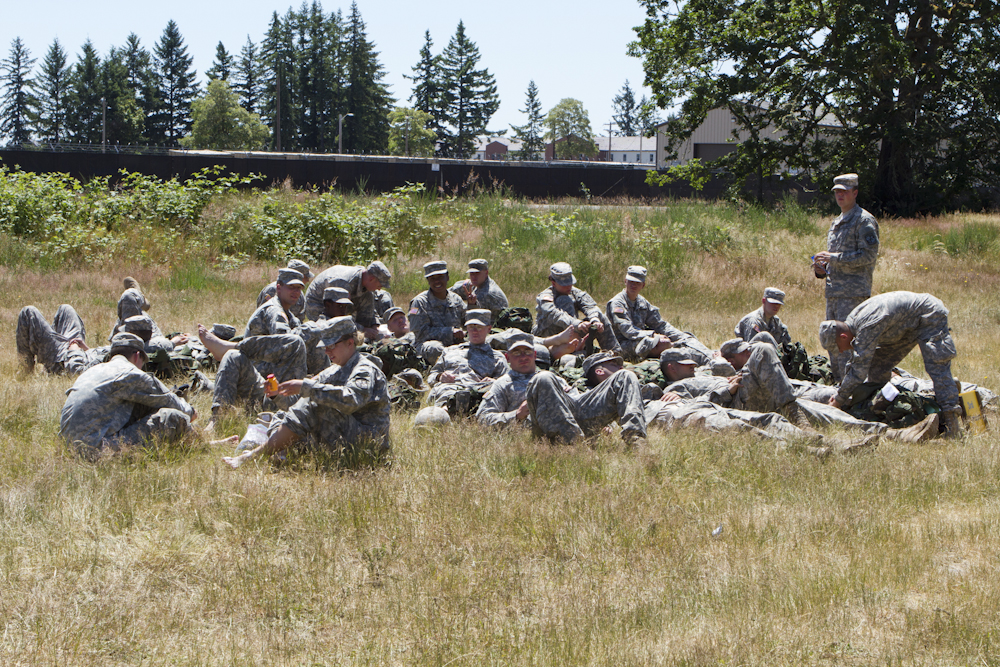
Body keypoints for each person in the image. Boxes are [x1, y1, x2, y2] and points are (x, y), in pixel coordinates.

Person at [222, 316, 390, 469]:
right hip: (341, 434)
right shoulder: (334, 370)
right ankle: (280, 454)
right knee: (282, 415)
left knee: (315, 403)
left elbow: (351, 400)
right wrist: (277, 394)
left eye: (332, 346)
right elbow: (297, 405)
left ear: (350, 343)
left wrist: (306, 387)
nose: (327, 351)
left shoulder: (364, 369)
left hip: (368, 442)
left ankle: (254, 456)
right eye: (325, 346)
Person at [818, 291, 962, 437]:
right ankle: (883, 408)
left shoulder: (866, 326)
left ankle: (952, 423)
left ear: (843, 337)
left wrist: (839, 399)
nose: (841, 351)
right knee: (877, 367)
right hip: (905, 324)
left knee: (937, 366)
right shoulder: (852, 324)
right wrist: (842, 391)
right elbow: (856, 361)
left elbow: (859, 371)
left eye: (838, 347)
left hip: (929, 315)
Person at [60, 333, 196, 458]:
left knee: (142, 405)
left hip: (69, 447)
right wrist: (190, 412)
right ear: (137, 356)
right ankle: (199, 443)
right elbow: (166, 399)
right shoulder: (128, 372)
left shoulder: (92, 371)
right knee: (172, 417)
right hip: (95, 450)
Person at [812, 173, 880, 380]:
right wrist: (821, 268)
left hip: (853, 294)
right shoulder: (836, 222)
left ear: (855, 193)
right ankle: (839, 384)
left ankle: (852, 386)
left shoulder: (863, 220)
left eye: (844, 192)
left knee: (848, 343)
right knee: (832, 340)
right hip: (834, 293)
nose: (840, 196)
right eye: (837, 192)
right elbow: (834, 260)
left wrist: (833, 258)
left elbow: (868, 256)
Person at [526, 350, 647, 448]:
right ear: (599, 371)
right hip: (561, 412)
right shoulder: (569, 384)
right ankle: (574, 444)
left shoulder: (615, 389)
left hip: (585, 416)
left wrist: (610, 426)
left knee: (627, 375)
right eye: (614, 365)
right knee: (543, 377)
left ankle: (636, 442)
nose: (621, 367)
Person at [606, 265, 710, 362]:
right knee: (661, 343)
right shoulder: (617, 303)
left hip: (642, 340)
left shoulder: (642, 302)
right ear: (625, 281)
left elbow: (660, 325)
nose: (633, 285)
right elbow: (628, 331)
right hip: (620, 346)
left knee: (685, 338)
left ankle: (707, 356)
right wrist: (653, 335)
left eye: (637, 283)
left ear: (643, 285)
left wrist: (680, 336)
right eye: (631, 282)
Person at [427, 309, 509, 413]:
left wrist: (495, 382)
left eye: (479, 327)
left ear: (488, 328)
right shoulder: (449, 351)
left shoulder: (497, 357)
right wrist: (440, 377)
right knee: (444, 394)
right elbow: (431, 376)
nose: (474, 331)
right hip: (448, 388)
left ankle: (455, 411)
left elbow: (507, 384)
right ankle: (446, 411)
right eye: (471, 327)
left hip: (477, 391)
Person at [533, 262, 621, 355]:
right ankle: (574, 348)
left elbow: (590, 306)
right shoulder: (546, 297)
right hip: (548, 336)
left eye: (570, 283)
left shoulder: (574, 292)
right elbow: (555, 315)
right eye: (564, 284)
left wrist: (595, 320)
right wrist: (577, 324)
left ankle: (614, 354)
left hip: (573, 330)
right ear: (553, 283)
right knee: (564, 300)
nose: (568, 286)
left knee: (601, 317)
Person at [304, 261, 392, 338]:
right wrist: (362, 329)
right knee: (337, 332)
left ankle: (363, 339)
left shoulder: (364, 281)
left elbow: (370, 308)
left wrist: (374, 326)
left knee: (368, 296)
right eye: (380, 285)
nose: (379, 289)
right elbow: (337, 316)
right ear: (371, 279)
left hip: (338, 304)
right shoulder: (343, 283)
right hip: (318, 304)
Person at [16, 303, 105, 375]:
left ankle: (27, 369)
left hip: (66, 359)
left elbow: (77, 371)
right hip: (80, 352)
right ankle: (50, 361)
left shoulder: (110, 368)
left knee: (28, 312)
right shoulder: (112, 352)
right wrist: (86, 349)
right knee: (66, 309)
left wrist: (74, 351)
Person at [408, 260, 467, 366]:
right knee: (435, 348)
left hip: (454, 344)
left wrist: (473, 305)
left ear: (447, 277)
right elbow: (421, 333)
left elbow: (468, 322)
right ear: (428, 281)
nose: (437, 282)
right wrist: (450, 332)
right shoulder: (419, 302)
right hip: (428, 346)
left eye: (440, 277)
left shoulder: (455, 299)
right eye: (432, 279)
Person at [476, 332, 540, 428]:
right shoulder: (502, 384)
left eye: (527, 352)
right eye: (516, 353)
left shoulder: (552, 379)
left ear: (534, 355)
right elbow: (482, 418)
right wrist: (516, 415)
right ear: (507, 357)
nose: (523, 357)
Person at [245, 268, 305, 337]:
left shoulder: (287, 312)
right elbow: (285, 339)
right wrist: (308, 329)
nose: (296, 292)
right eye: (291, 287)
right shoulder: (274, 310)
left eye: (298, 288)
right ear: (278, 288)